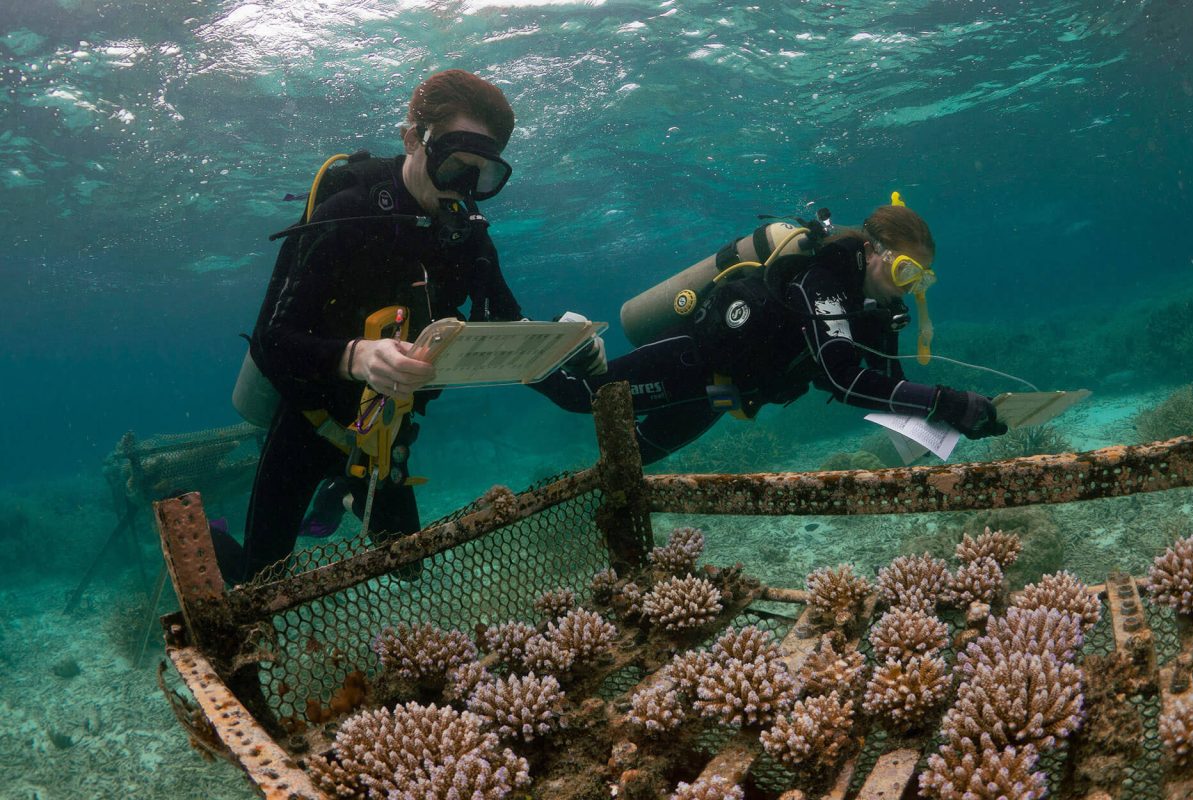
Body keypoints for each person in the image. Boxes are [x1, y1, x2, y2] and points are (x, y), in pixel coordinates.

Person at [220, 70, 533, 583]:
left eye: (481, 176)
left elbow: (508, 325)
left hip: (388, 429)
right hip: (312, 421)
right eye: (454, 165)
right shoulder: (348, 213)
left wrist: (568, 350)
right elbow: (273, 341)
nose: (461, 190)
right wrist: (356, 357)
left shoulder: (468, 235)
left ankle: (340, 492)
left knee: (406, 567)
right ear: (413, 139)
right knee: (260, 579)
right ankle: (203, 529)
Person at [532, 199, 1007, 464]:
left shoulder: (875, 309)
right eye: (904, 270)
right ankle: (541, 346)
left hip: (724, 394)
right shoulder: (822, 280)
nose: (906, 288)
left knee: (636, 456)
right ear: (872, 251)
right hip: (692, 358)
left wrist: (955, 416)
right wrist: (946, 401)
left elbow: (887, 383)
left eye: (919, 279)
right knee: (581, 397)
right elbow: (844, 381)